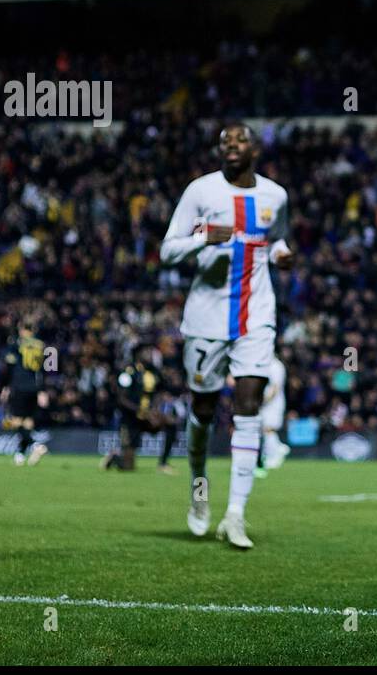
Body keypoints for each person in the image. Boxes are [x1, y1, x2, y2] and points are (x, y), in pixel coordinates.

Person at [160, 123, 293, 549]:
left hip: (257, 314)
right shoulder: (201, 191)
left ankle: (236, 514)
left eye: (239, 140)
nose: (231, 146)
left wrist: (281, 253)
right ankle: (199, 488)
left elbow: (274, 240)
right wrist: (201, 239)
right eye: (224, 141)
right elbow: (167, 250)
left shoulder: (276, 196)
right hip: (206, 319)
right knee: (202, 407)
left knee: (248, 405)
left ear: (255, 148)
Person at [102, 344, 177, 473]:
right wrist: (141, 411)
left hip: (147, 418)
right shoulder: (128, 372)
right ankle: (115, 457)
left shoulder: (154, 371)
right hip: (130, 420)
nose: (149, 354)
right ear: (138, 354)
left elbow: (160, 392)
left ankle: (163, 463)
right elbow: (122, 399)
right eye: (146, 351)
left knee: (170, 423)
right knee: (128, 467)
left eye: (150, 351)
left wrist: (155, 409)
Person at [0, 321, 48, 466]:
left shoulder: (16, 344)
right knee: (27, 422)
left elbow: (9, 366)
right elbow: (46, 369)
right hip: (34, 388)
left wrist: (5, 386)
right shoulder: (42, 345)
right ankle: (20, 454)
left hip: (19, 386)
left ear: (22, 330)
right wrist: (42, 390)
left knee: (15, 421)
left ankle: (35, 445)